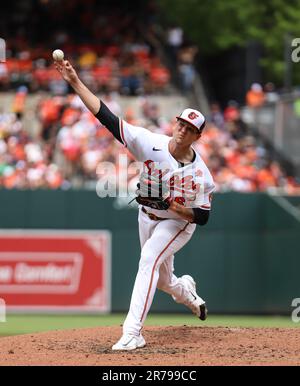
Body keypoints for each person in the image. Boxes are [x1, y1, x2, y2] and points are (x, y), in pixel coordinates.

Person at [54, 59, 215, 351]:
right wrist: (75, 82)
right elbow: (106, 117)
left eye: (190, 128)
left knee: (148, 258)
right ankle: (187, 292)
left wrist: (172, 205)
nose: (183, 129)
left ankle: (133, 332)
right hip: (147, 216)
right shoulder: (148, 141)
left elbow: (202, 217)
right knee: (164, 280)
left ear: (197, 136)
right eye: (181, 122)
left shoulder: (201, 174)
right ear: (175, 123)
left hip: (178, 223)